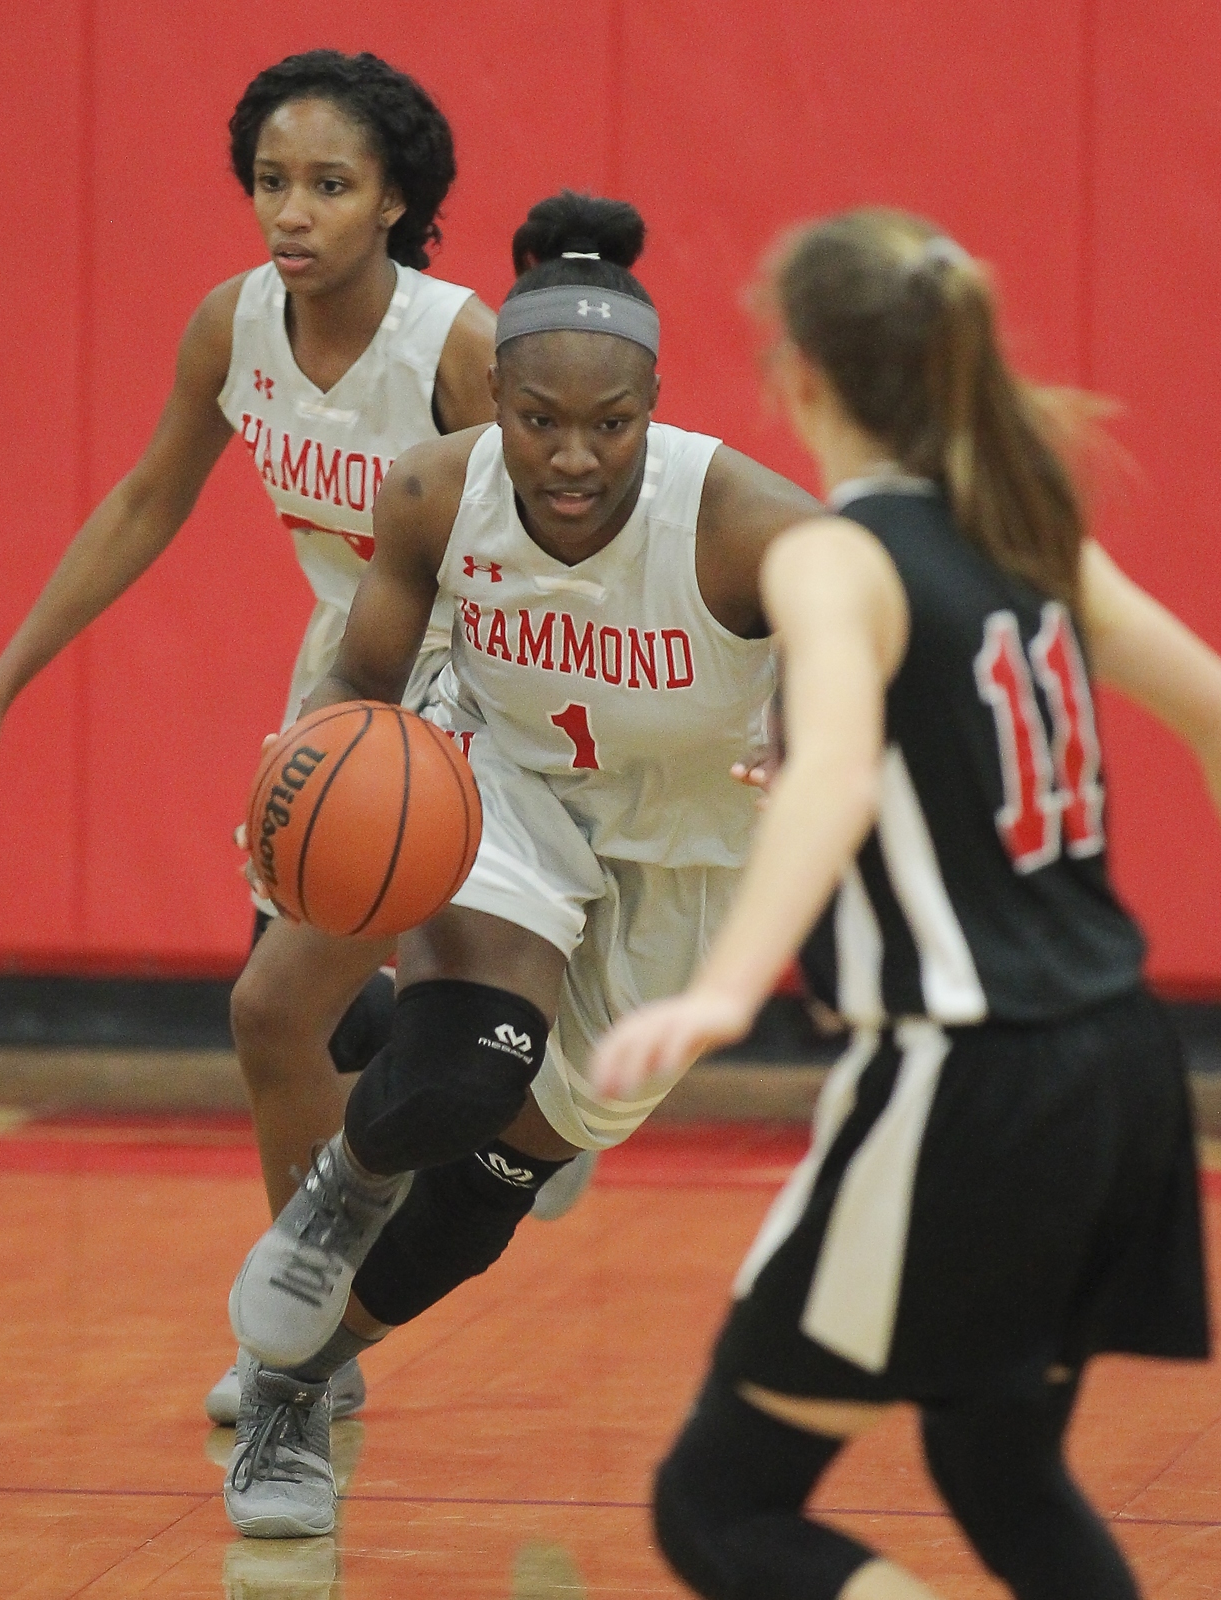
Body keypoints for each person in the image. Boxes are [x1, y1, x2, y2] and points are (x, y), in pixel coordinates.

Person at [589, 208, 1221, 1600]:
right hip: (1120, 1066)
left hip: (970, 1079)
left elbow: (835, 787)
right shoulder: (1031, 532)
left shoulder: (834, 555)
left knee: (719, 1508)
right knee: (998, 1463)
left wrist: (723, 985)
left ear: (797, 374)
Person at [0, 49, 504, 1425]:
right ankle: (328, 1309)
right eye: (271, 182)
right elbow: (141, 502)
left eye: (330, 185)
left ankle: (301, 1341)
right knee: (292, 1016)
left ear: (397, 201)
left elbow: (577, 530)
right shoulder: (233, 325)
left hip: (487, 690)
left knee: (279, 1010)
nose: (291, 212)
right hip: (348, 695)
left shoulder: (460, 344)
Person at [217, 191, 827, 1538]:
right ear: (494, 394)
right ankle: (297, 1360)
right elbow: (366, 682)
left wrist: (808, 721)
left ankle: (322, 1324)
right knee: (457, 1076)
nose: (572, 455)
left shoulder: (742, 520)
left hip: (694, 852)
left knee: (501, 1182)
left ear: (655, 406)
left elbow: (866, 629)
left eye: (610, 424)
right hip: (507, 788)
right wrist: (299, 794)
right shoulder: (439, 490)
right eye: (540, 418)